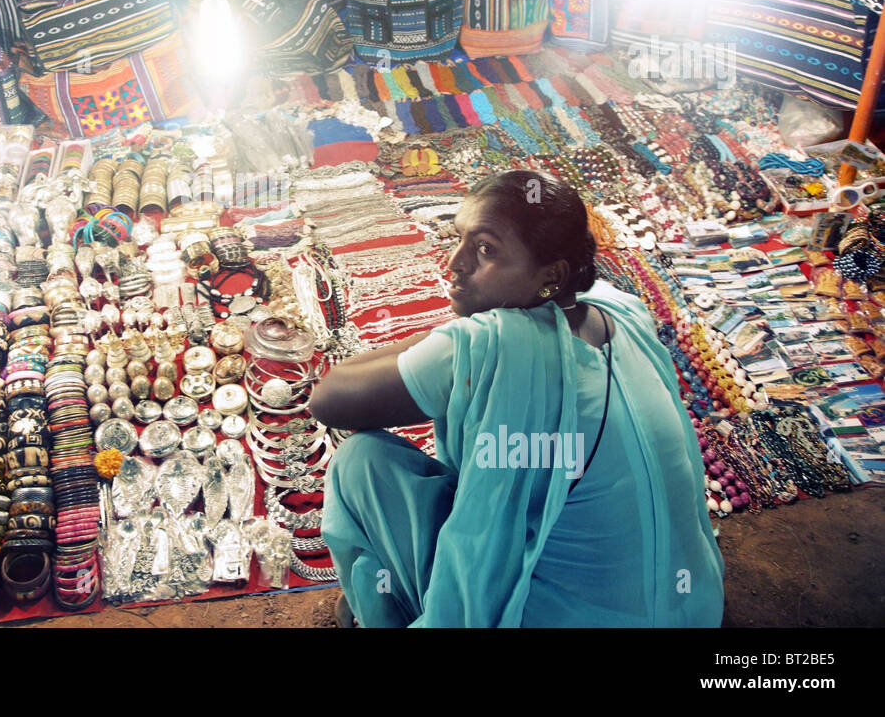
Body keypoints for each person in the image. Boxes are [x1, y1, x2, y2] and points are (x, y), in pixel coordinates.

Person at [310, 170, 724, 627]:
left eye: (485, 249)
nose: (455, 262)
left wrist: (461, 334)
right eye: (459, 238)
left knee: (361, 460)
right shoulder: (619, 309)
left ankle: (384, 609)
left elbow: (330, 399)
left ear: (552, 274)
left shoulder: (492, 344)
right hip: (689, 611)